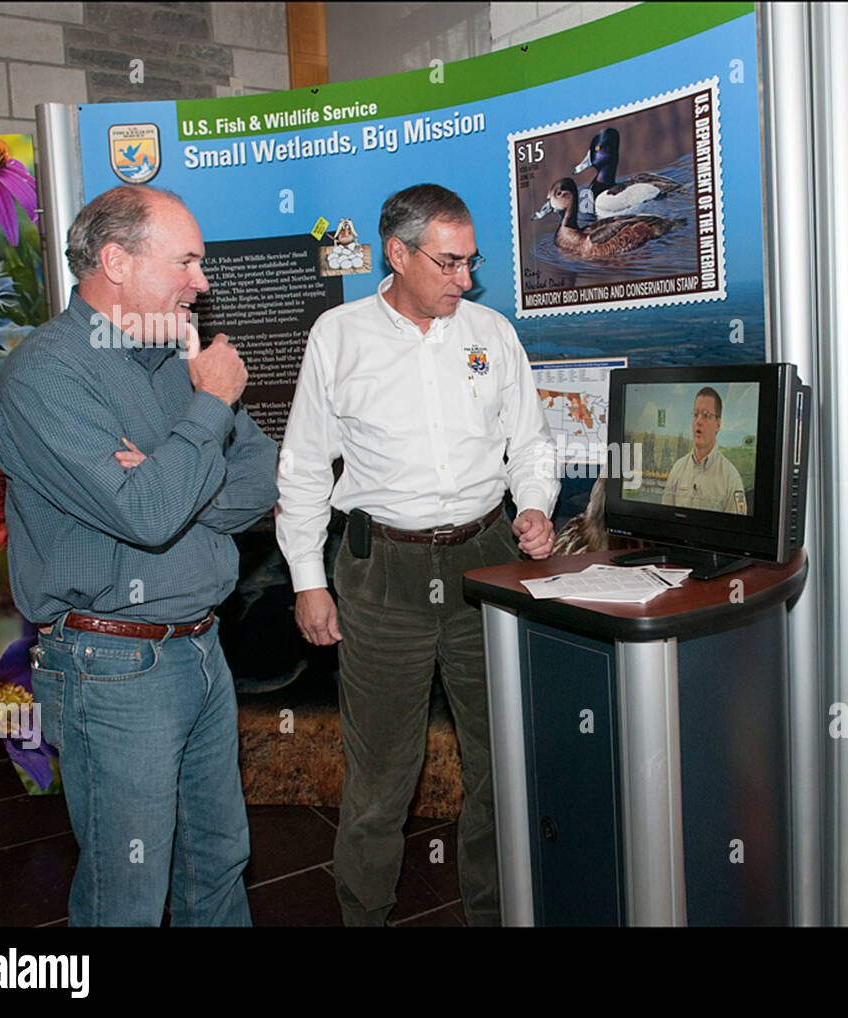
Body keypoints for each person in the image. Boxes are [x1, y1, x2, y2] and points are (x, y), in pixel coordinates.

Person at [0, 185, 278, 926]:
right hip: (112, 669)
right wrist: (207, 414)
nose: (201, 283)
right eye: (186, 261)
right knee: (128, 895)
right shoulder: (45, 375)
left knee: (218, 863)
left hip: (202, 648)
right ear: (116, 262)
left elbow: (262, 478)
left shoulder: (176, 357)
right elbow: (146, 515)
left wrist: (171, 477)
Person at [275, 183, 558, 927]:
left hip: (486, 563)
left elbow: (530, 444)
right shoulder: (338, 337)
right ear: (397, 254)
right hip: (380, 573)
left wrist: (533, 505)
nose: (465, 279)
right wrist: (307, 580)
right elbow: (303, 468)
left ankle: (495, 913)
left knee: (500, 762)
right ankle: (365, 916)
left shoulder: (491, 333)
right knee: (381, 777)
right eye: (449, 262)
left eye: (471, 261)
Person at [661, 387, 747, 514]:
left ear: (718, 424)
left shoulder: (731, 478)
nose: (698, 421)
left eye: (706, 415)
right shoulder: (678, 469)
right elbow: (665, 517)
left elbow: (738, 525)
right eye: (696, 415)